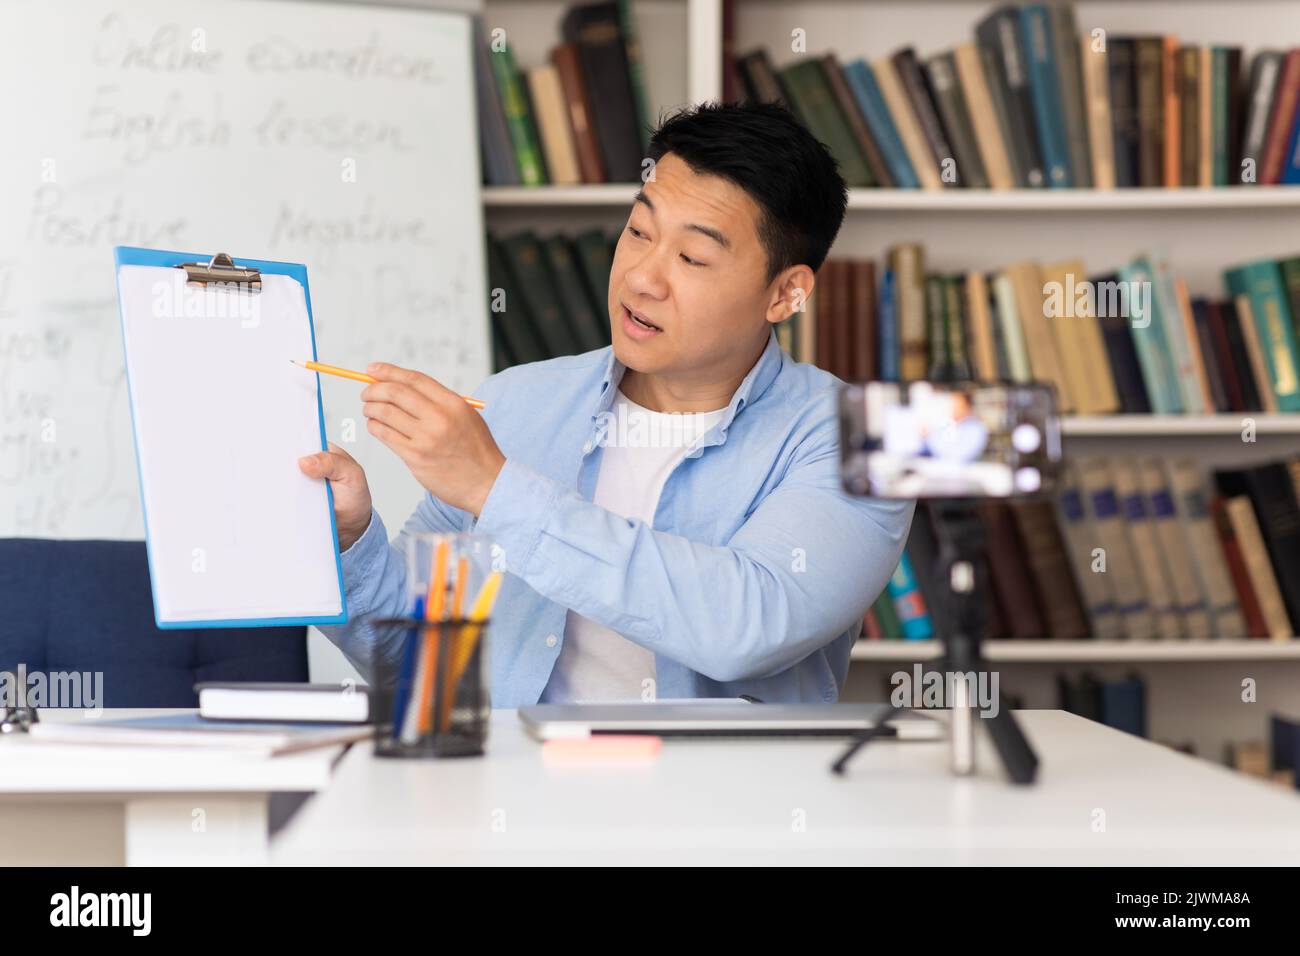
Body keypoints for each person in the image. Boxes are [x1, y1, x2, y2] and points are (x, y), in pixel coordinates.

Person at [299, 101, 914, 705]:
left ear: (785, 294)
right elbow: (417, 659)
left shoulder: (858, 435)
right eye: (639, 232)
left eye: (693, 257)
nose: (643, 277)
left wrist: (496, 489)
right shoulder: (512, 404)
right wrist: (351, 541)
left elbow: (748, 627)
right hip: (519, 799)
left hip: (720, 803)